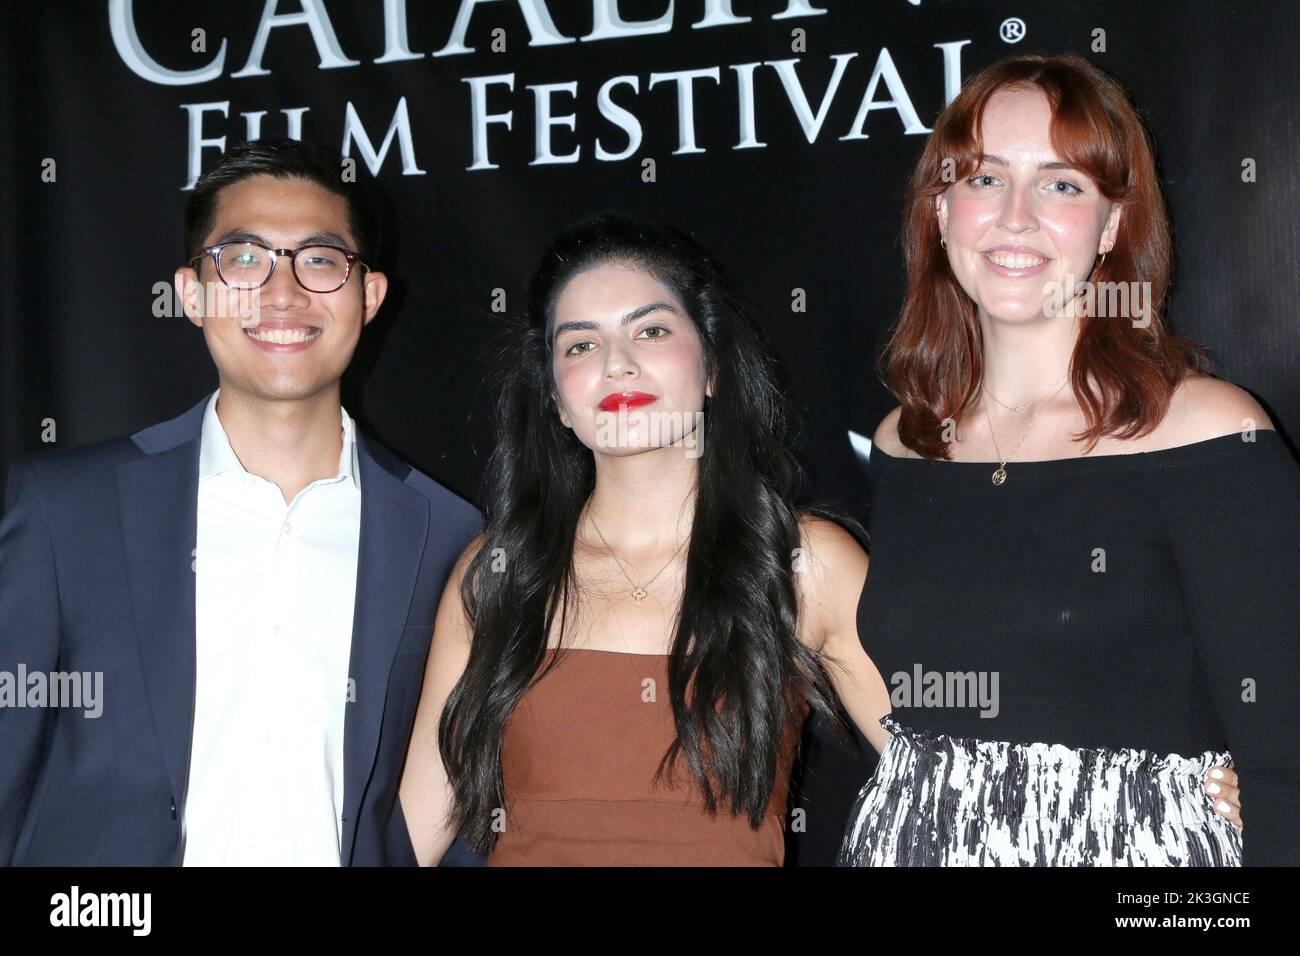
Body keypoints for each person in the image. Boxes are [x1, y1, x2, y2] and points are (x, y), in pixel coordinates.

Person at [396, 212, 1241, 866]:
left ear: (713, 365)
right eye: (580, 345)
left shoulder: (802, 564)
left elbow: (973, 762)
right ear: (554, 393)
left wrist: (1175, 780)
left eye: (650, 331)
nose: (616, 365)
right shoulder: (498, 573)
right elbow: (412, 829)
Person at [838, 53, 1296, 866]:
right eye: (982, 180)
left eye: (1061, 184)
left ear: (1112, 226)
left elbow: (1285, 763)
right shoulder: (904, 443)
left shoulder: (1208, 435)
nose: (1016, 217)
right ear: (940, 213)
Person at [0, 137, 480, 865]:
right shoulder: (67, 512)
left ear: (369, 296)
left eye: (319, 260)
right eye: (243, 259)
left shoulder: (445, 535)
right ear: (192, 294)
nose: (282, 293)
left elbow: (457, 798)